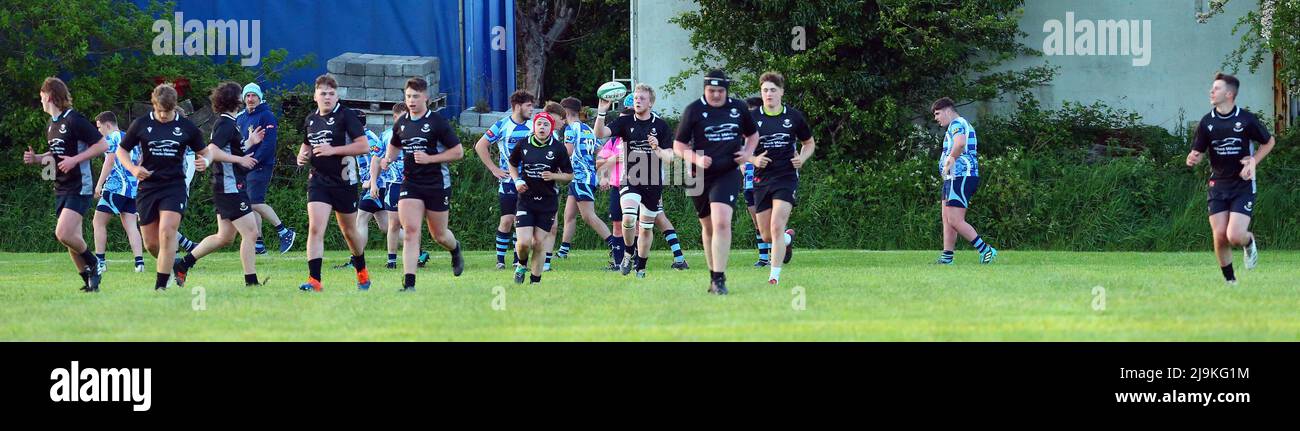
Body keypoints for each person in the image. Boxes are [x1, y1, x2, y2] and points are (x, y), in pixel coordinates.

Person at [115, 83, 211, 290]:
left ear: (174, 107)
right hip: (148, 187)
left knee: (167, 232)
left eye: (167, 111)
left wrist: (206, 161)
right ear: (153, 105)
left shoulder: (186, 127)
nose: (163, 115)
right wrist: (132, 169)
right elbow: (121, 151)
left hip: (174, 186)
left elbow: (206, 151)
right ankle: (172, 264)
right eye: (159, 111)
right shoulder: (141, 124)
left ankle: (161, 286)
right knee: (150, 243)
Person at [672, 70, 759, 295]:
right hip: (698, 175)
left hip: (727, 172)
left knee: (722, 223)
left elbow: (753, 135)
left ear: (726, 90)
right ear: (704, 89)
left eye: (720, 91)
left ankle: (720, 279)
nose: (716, 95)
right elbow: (678, 145)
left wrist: (747, 152)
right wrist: (697, 158)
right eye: (712, 90)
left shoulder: (738, 108)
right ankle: (712, 277)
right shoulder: (694, 110)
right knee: (708, 227)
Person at [1186, 72, 1276, 285]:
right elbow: (1197, 152)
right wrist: (1192, 158)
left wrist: (1253, 161)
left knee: (1234, 235)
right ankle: (1230, 281)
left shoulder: (1246, 119)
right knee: (1219, 236)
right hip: (1218, 184)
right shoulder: (1207, 122)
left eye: (1216, 88)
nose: (1211, 91)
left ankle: (1249, 240)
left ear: (1229, 94)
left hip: (1242, 185)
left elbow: (1269, 141)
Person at [170, 82, 263, 287]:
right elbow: (212, 149)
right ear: (235, 99)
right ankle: (251, 282)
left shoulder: (230, 122)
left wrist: (250, 142)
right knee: (251, 232)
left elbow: (230, 148)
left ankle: (183, 264)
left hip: (227, 186)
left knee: (224, 237)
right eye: (241, 95)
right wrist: (236, 160)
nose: (244, 98)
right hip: (229, 187)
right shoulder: (226, 123)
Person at [22, 77, 109, 292]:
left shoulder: (74, 119)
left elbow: (102, 145)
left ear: (50, 95)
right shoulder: (52, 124)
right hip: (61, 187)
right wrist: (38, 159)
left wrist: (75, 161)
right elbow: (56, 154)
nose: (40, 99)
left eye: (41, 95)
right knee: (71, 238)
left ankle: (94, 263)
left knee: (63, 233)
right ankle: (89, 282)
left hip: (80, 185)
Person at [381, 77, 465, 292]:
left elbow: (458, 152)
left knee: (439, 235)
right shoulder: (402, 123)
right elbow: (394, 146)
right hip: (411, 184)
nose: (411, 100)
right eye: (408, 96)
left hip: (436, 184)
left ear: (426, 97)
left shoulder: (437, 122)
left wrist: (430, 159)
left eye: (416, 96)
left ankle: (455, 249)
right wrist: (387, 160)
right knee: (410, 231)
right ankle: (409, 284)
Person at [296, 74, 373, 292]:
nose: (327, 97)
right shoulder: (311, 119)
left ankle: (362, 272)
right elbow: (306, 146)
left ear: (336, 96)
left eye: (331, 93)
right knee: (315, 228)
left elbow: (363, 146)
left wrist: (334, 150)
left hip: (344, 182)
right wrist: (301, 157)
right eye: (323, 93)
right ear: (315, 96)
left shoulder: (346, 116)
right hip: (319, 180)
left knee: (349, 231)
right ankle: (314, 281)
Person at [594, 84, 675, 279]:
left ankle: (641, 266)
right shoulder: (625, 122)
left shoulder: (661, 126)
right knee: (628, 218)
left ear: (651, 103)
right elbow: (599, 133)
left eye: (642, 98)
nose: (638, 100)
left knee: (646, 228)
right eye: (636, 97)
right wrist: (601, 112)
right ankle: (628, 253)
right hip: (630, 179)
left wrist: (657, 149)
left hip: (653, 182)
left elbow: (670, 157)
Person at [750, 72, 813, 285]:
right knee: (767, 235)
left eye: (773, 90)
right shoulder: (751, 118)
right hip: (761, 180)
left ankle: (774, 277)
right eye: (765, 90)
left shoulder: (793, 117)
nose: (769, 94)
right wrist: (753, 160)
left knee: (776, 226)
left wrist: (802, 159)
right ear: (761, 92)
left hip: (786, 177)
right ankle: (787, 239)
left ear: (781, 92)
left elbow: (809, 143)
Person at [930, 97, 997, 266]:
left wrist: (951, 158)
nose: (936, 118)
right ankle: (947, 258)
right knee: (947, 218)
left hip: (962, 176)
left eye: (937, 114)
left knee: (955, 220)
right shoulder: (954, 126)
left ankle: (985, 249)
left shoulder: (957, 124)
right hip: (952, 178)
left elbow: (960, 144)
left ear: (947, 111)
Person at [554, 97, 621, 265]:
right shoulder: (588, 129)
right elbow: (600, 150)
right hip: (585, 177)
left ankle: (615, 245)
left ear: (566, 112)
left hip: (581, 177)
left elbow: (567, 152)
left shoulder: (570, 129)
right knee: (569, 215)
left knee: (588, 216)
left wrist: (551, 161)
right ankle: (563, 251)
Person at [508, 111, 573, 283]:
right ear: (534, 126)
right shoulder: (523, 145)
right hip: (526, 200)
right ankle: (521, 264)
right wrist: (517, 181)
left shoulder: (558, 148)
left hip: (547, 202)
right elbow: (512, 164)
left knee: (538, 243)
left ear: (551, 128)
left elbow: (569, 176)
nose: (542, 127)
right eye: (539, 124)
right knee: (523, 243)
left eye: (545, 124)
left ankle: (535, 282)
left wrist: (554, 176)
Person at [474, 90, 535, 269]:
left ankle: (518, 259)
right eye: (529, 106)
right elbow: (480, 145)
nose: (532, 109)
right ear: (517, 106)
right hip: (509, 182)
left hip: (530, 182)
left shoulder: (533, 126)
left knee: (521, 220)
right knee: (507, 219)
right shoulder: (502, 125)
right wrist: (494, 169)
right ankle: (500, 260)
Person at [236, 82, 297, 255]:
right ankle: (259, 244)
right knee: (250, 202)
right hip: (244, 165)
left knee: (255, 201)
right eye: (247, 95)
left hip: (260, 165)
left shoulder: (267, 115)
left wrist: (254, 160)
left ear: (259, 97)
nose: (250, 99)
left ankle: (284, 231)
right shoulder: (241, 117)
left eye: (253, 95)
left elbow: (269, 143)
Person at [90, 111, 145, 273]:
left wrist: (99, 184)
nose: (98, 131)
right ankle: (139, 263)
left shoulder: (113, 138)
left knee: (98, 222)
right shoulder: (130, 138)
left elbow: (109, 161)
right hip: (132, 189)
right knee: (131, 226)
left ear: (108, 125)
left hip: (116, 187)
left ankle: (100, 262)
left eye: (99, 127)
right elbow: (141, 159)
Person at [742, 96, 770, 267]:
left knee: (768, 220)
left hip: (766, 181)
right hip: (749, 182)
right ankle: (763, 258)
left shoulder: (767, 130)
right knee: (756, 221)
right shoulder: (744, 132)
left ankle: (777, 251)